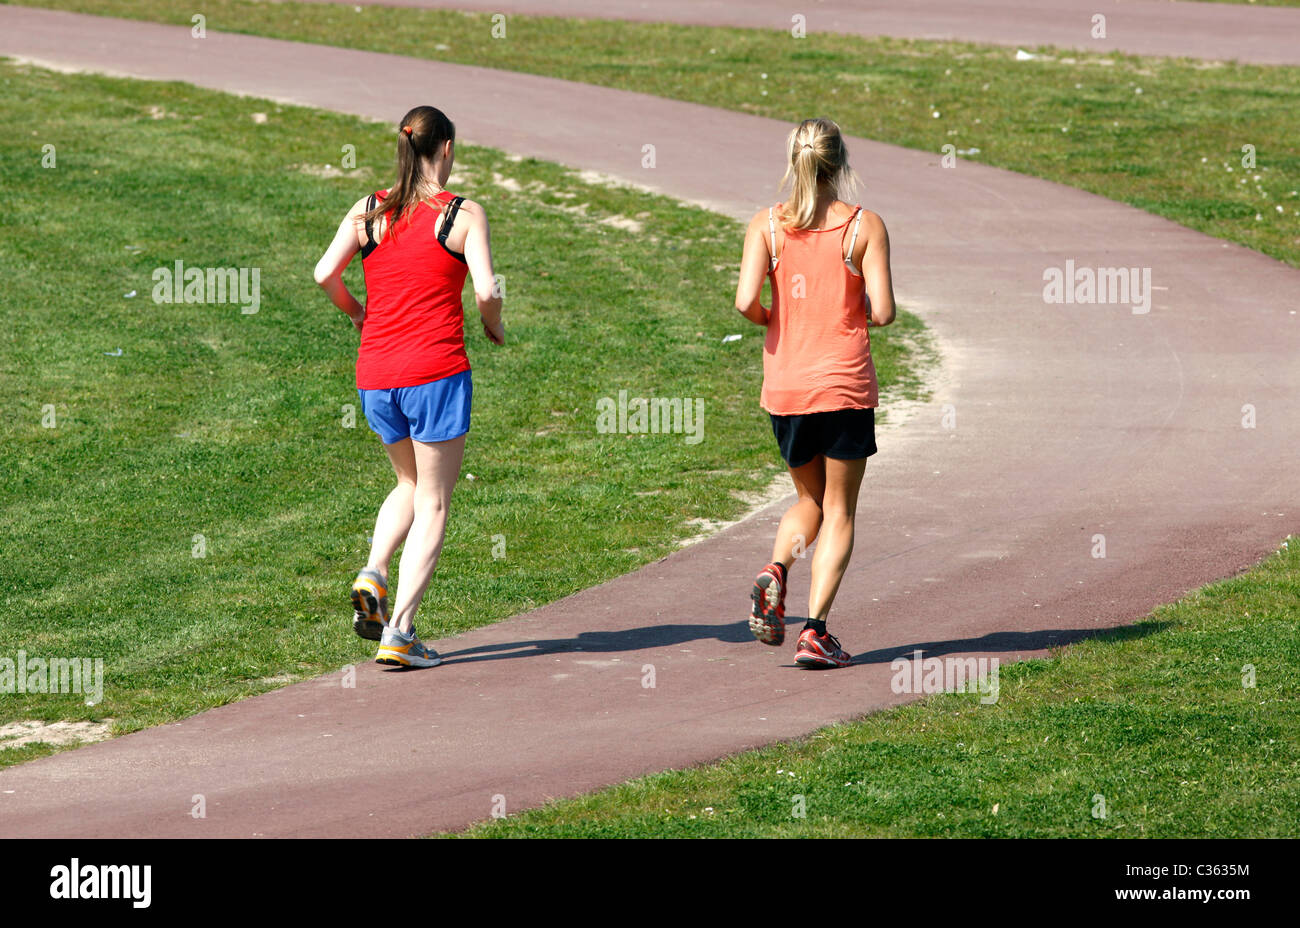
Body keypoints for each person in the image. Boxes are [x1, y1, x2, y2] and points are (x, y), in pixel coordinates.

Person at [313, 105, 505, 668]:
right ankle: (400, 630)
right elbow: (488, 290)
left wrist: (357, 315)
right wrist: (492, 325)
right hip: (436, 373)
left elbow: (325, 273)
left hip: (376, 374)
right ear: (445, 148)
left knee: (408, 481)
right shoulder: (463, 214)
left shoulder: (370, 208)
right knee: (435, 500)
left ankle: (373, 574)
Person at [734, 117, 896, 669]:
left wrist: (773, 318)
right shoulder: (863, 226)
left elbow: (743, 302)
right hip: (845, 385)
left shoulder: (768, 225)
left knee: (808, 501)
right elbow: (885, 311)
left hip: (788, 387)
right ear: (840, 163)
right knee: (840, 509)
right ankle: (814, 632)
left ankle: (776, 568)